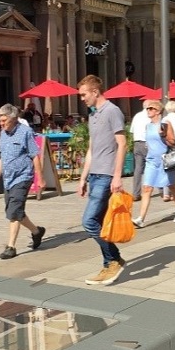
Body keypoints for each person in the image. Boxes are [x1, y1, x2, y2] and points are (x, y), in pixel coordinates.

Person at [76, 74, 128, 285]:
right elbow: (91, 148)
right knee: (97, 221)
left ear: (95, 92)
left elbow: (122, 144)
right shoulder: (93, 115)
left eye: (83, 94)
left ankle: (113, 259)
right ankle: (111, 261)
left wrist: (117, 176)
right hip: (95, 174)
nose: (81, 98)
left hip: (107, 174)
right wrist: (82, 177)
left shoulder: (112, 111)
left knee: (88, 221)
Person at [0, 103, 46, 260]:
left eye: (4, 120)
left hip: (23, 177)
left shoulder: (25, 132)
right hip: (8, 179)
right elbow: (3, 158)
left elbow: (35, 155)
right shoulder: (4, 135)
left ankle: (11, 246)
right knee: (15, 211)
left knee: (14, 211)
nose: (1, 123)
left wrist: (40, 178)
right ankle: (36, 231)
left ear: (13, 118)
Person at [132, 100, 175, 227]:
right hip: (151, 161)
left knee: (171, 186)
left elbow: (173, 142)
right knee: (146, 188)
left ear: (158, 111)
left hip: (164, 161)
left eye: (151, 108)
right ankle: (141, 218)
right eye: (147, 109)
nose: (148, 110)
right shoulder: (148, 126)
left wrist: (164, 136)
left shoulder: (165, 124)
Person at [129, 100, 152, 200]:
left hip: (136, 143)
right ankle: (162, 190)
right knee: (153, 165)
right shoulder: (148, 116)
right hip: (146, 143)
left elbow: (132, 130)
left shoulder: (137, 116)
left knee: (138, 169)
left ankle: (136, 193)